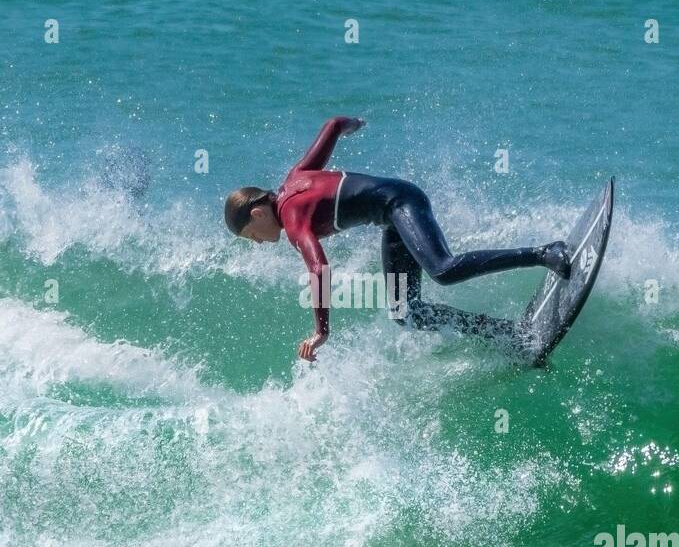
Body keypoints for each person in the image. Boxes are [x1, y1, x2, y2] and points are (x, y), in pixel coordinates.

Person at [224, 116, 570, 362]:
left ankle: (544, 252)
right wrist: (352, 124)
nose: (258, 243)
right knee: (408, 313)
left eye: (252, 236)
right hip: (391, 221)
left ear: (257, 214)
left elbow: (319, 269)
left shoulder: (292, 218)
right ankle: (505, 334)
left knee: (444, 269)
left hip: (402, 202)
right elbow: (331, 126)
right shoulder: (294, 178)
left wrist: (322, 330)